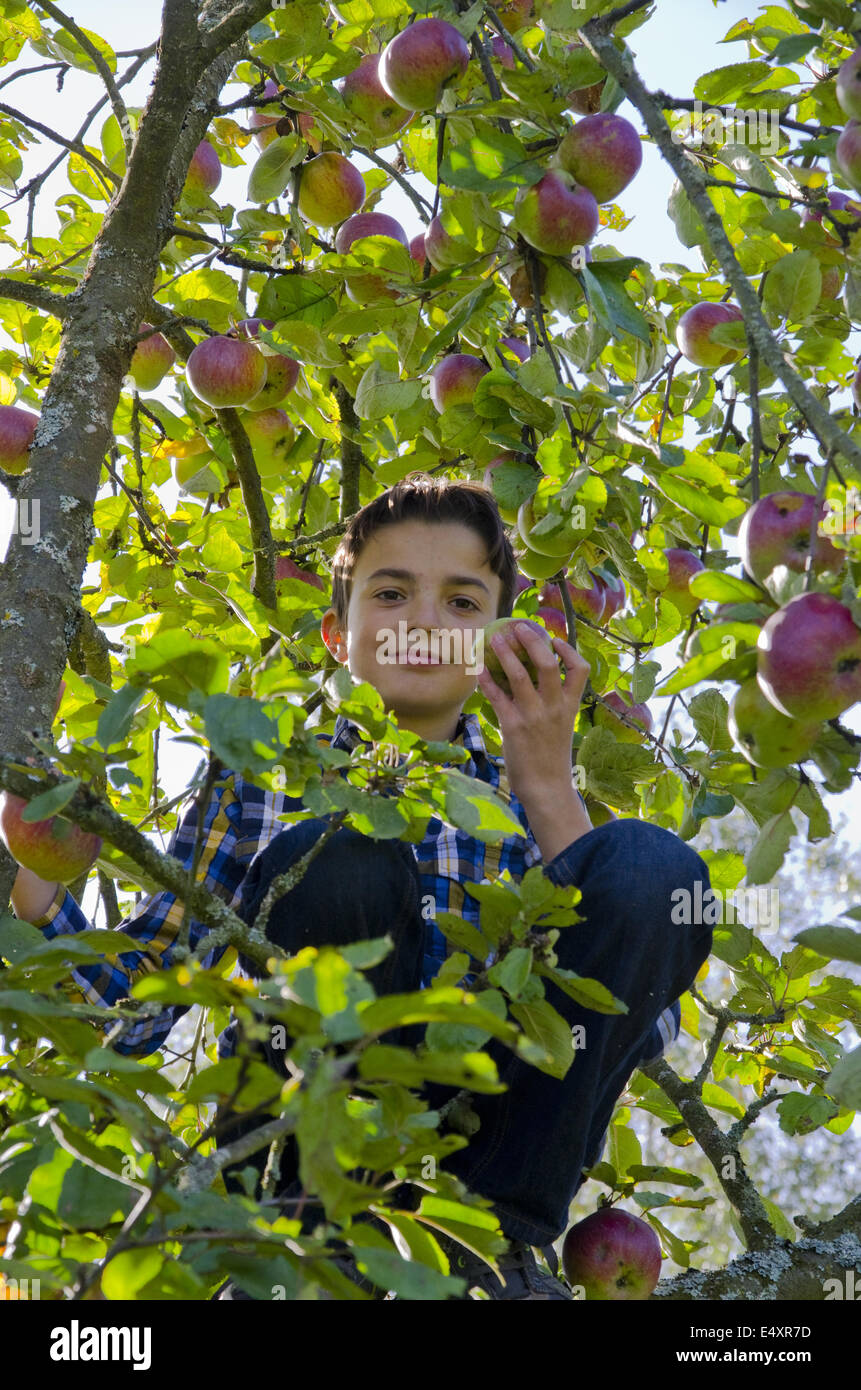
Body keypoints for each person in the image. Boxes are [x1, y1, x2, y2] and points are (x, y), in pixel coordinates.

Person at [8, 474, 713, 1301]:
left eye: (460, 604)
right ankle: (318, 1235)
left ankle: (485, 1250)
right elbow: (130, 1010)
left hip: (474, 1176)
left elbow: (637, 1019)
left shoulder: (530, 796)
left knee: (650, 865)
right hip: (297, 1165)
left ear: (492, 639)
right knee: (347, 849)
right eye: (389, 593)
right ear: (335, 636)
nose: (421, 621)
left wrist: (546, 786)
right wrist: (36, 855)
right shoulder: (260, 773)